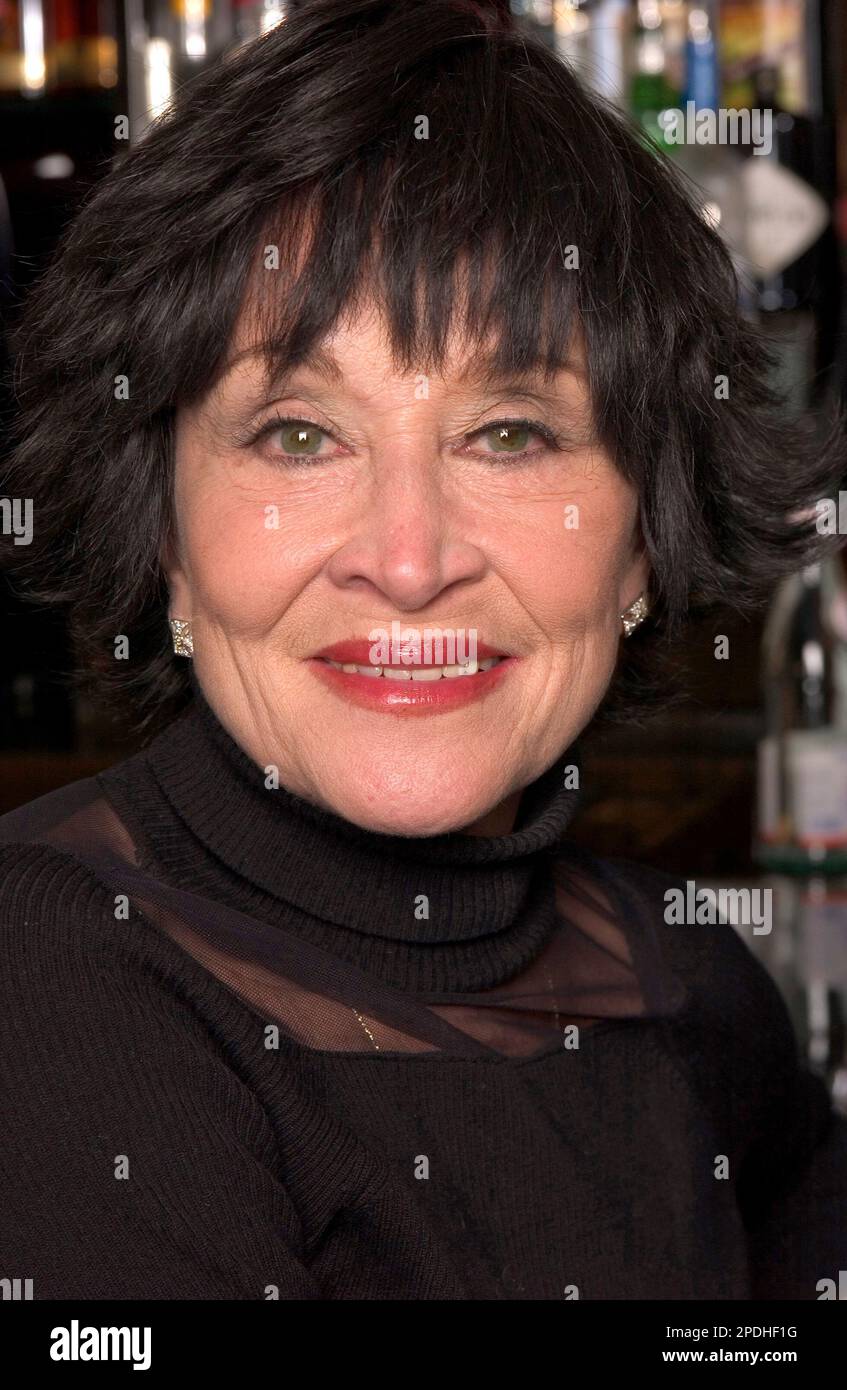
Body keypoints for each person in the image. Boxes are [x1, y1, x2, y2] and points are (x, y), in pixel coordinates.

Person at [1, 0, 845, 1301]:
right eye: (297, 432)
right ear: (165, 533)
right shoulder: (56, 977)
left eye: (510, 432)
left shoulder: (697, 990)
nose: (407, 557)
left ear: (640, 546)